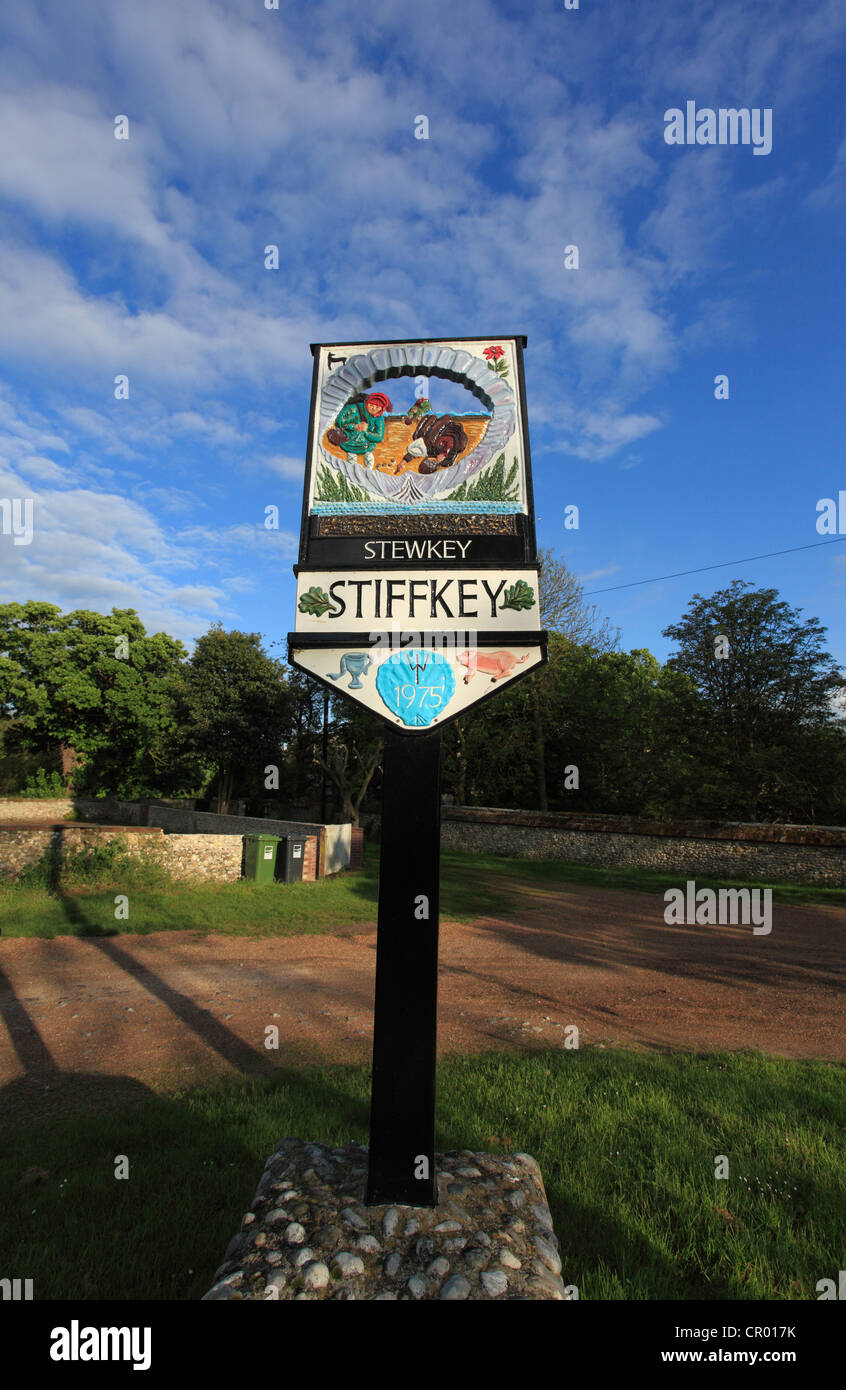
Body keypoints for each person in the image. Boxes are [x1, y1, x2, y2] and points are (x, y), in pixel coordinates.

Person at [326, 391, 393, 469]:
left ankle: (369, 474)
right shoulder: (354, 408)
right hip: (349, 443)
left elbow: (379, 437)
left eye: (377, 407)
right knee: (351, 463)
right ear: (367, 402)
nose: (373, 408)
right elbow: (340, 421)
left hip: (367, 446)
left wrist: (365, 432)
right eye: (371, 405)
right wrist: (354, 427)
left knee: (369, 461)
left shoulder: (379, 418)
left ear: (382, 408)